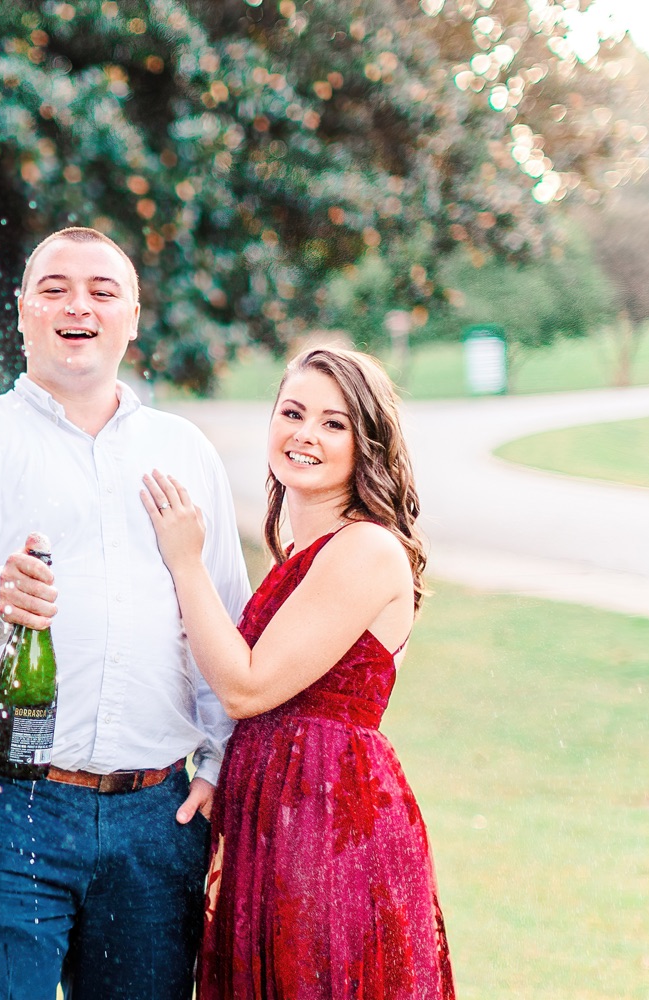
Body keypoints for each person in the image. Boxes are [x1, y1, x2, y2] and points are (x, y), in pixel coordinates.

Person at [0, 226, 250, 1000]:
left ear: (133, 316)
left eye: (101, 290)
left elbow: (223, 620)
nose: (76, 305)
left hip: (157, 820)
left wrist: (218, 763)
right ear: (22, 313)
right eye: (53, 289)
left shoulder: (183, 452)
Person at [139, 347, 455, 999]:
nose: (305, 434)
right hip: (277, 821)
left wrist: (186, 560)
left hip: (329, 825)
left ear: (367, 444)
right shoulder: (300, 554)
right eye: (293, 412)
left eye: (334, 423)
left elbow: (246, 684)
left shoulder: (364, 548)